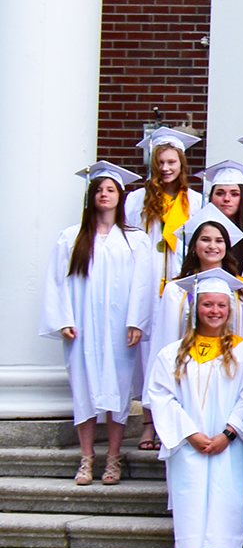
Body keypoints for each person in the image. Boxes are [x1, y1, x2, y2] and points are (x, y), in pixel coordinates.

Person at [146, 269, 243, 548]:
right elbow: (161, 396)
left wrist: (228, 433)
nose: (214, 311)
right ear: (195, 309)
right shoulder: (173, 353)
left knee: (228, 504)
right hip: (188, 444)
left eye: (221, 305)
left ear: (231, 310)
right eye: (207, 304)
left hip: (229, 443)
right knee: (190, 505)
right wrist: (190, 433)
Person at [43, 162, 151, 486]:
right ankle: (86, 457)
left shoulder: (135, 240)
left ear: (120, 196)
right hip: (82, 326)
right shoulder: (71, 237)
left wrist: (136, 321)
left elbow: (143, 284)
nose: (104, 194)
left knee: (116, 390)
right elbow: (56, 281)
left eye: (110, 189)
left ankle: (113, 458)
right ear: (91, 197)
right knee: (85, 390)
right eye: (99, 190)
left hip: (119, 329)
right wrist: (63, 319)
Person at [141, 210, 243, 454]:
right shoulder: (176, 290)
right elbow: (165, 342)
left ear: (228, 246)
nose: (212, 246)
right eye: (205, 239)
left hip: (229, 382)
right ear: (194, 245)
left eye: (219, 240)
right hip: (187, 383)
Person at [128, 126, 206, 296]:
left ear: (181, 164)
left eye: (171, 162)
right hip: (145, 274)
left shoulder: (195, 201)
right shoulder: (138, 199)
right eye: (160, 162)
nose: (165, 168)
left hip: (182, 270)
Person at [197, 160, 243, 269]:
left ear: (242, 199)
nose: (226, 199)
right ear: (211, 197)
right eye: (220, 193)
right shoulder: (197, 233)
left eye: (234, 194)